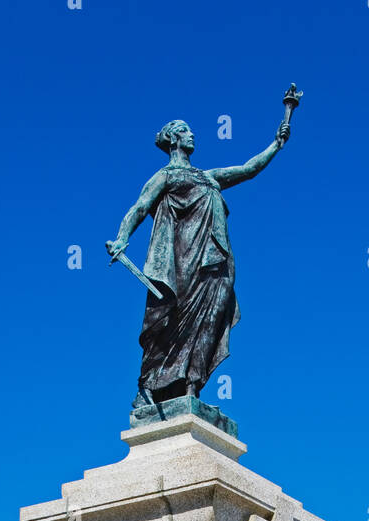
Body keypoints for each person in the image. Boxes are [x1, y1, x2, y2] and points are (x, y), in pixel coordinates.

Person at [107, 115, 291, 409]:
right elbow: (140, 206)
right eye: (185, 131)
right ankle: (148, 385)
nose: (192, 135)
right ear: (174, 139)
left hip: (216, 259)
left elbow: (248, 169)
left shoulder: (208, 177)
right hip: (183, 261)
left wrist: (277, 144)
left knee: (211, 318)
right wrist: (121, 238)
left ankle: (192, 388)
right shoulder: (166, 176)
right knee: (171, 319)